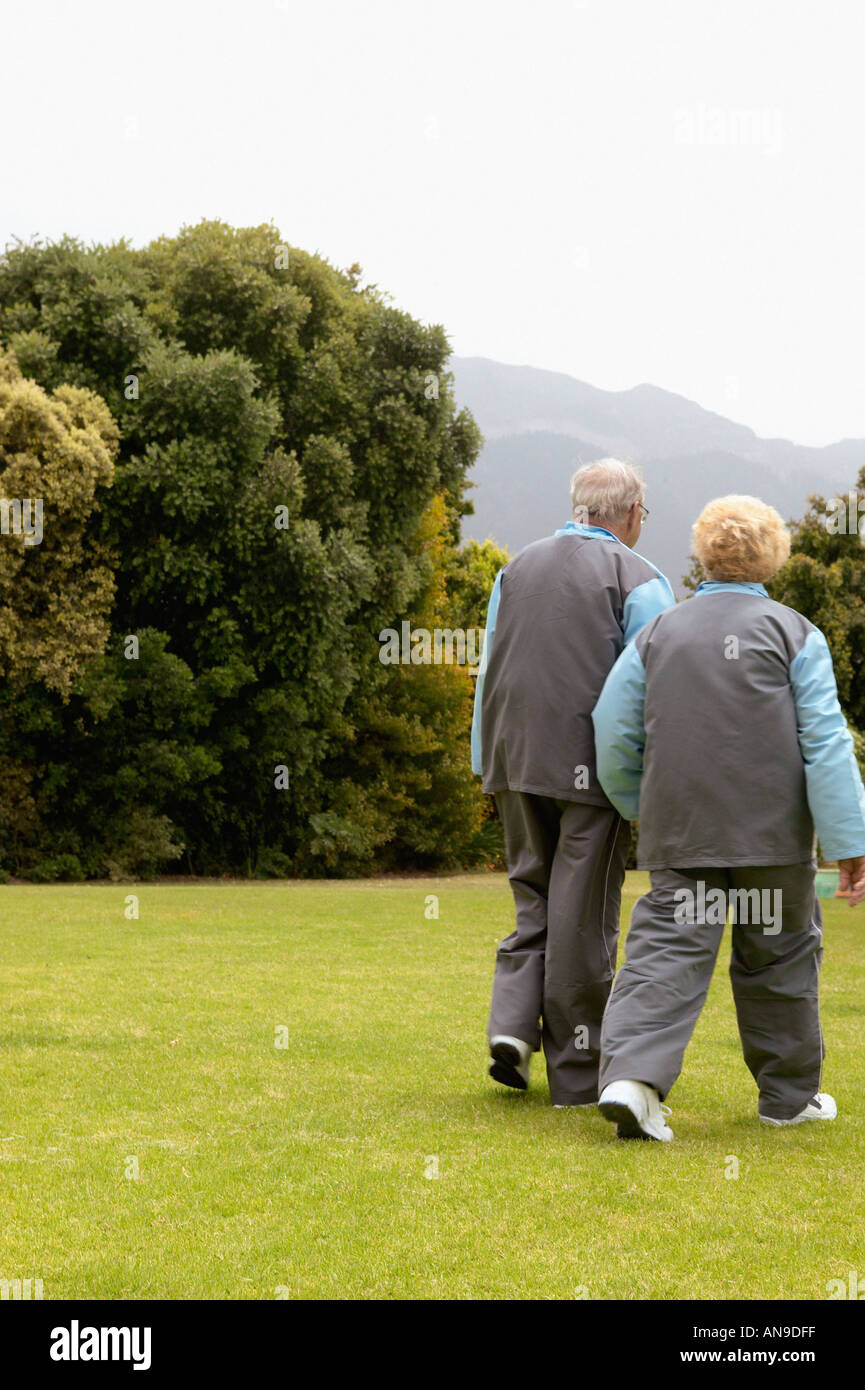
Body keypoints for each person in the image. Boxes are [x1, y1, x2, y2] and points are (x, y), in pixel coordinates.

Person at [592, 494, 865, 1141]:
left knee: (667, 950)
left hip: (680, 832)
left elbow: (610, 730)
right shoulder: (796, 634)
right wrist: (849, 845)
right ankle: (788, 1099)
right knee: (778, 962)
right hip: (772, 840)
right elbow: (825, 746)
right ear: (770, 555)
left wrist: (639, 803)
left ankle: (631, 1081)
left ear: (701, 553)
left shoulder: (656, 634)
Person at [472, 459, 675, 1106]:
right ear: (633, 512)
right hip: (593, 773)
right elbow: (651, 691)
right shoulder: (641, 579)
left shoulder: (516, 567)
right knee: (581, 921)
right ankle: (577, 1073)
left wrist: (486, 760)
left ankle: (509, 1028)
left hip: (513, 760)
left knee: (532, 900)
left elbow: (488, 666)